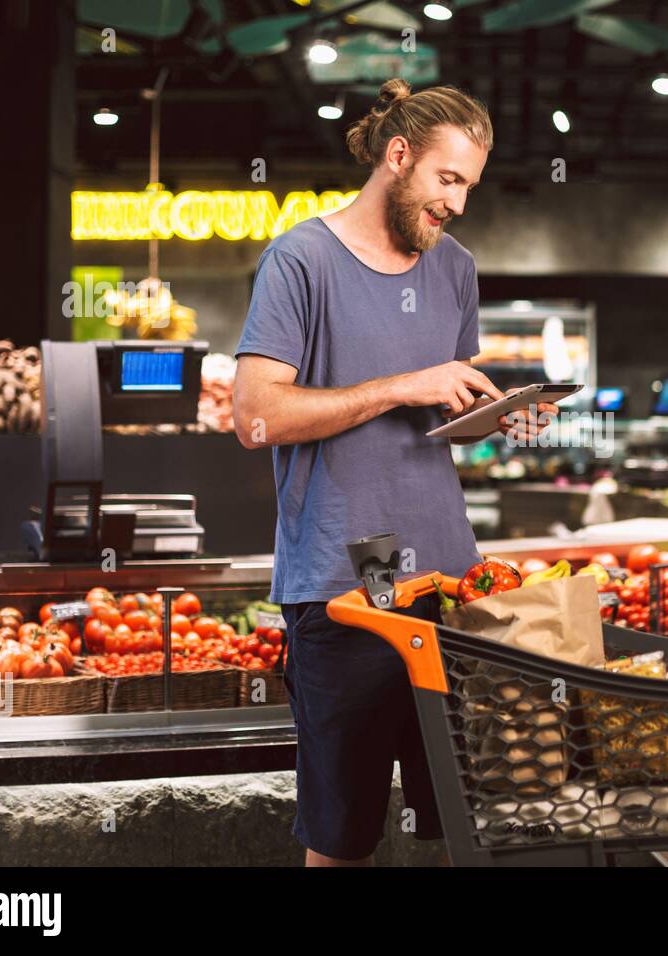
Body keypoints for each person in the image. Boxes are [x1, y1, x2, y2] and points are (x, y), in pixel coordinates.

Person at [233, 78, 557, 866]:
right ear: (398, 155)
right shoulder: (300, 259)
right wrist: (402, 386)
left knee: (460, 824)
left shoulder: (455, 269)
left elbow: (436, 425)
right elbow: (255, 417)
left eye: (469, 187)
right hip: (347, 583)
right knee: (342, 837)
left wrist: (495, 421)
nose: (457, 205)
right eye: (448, 180)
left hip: (451, 581)